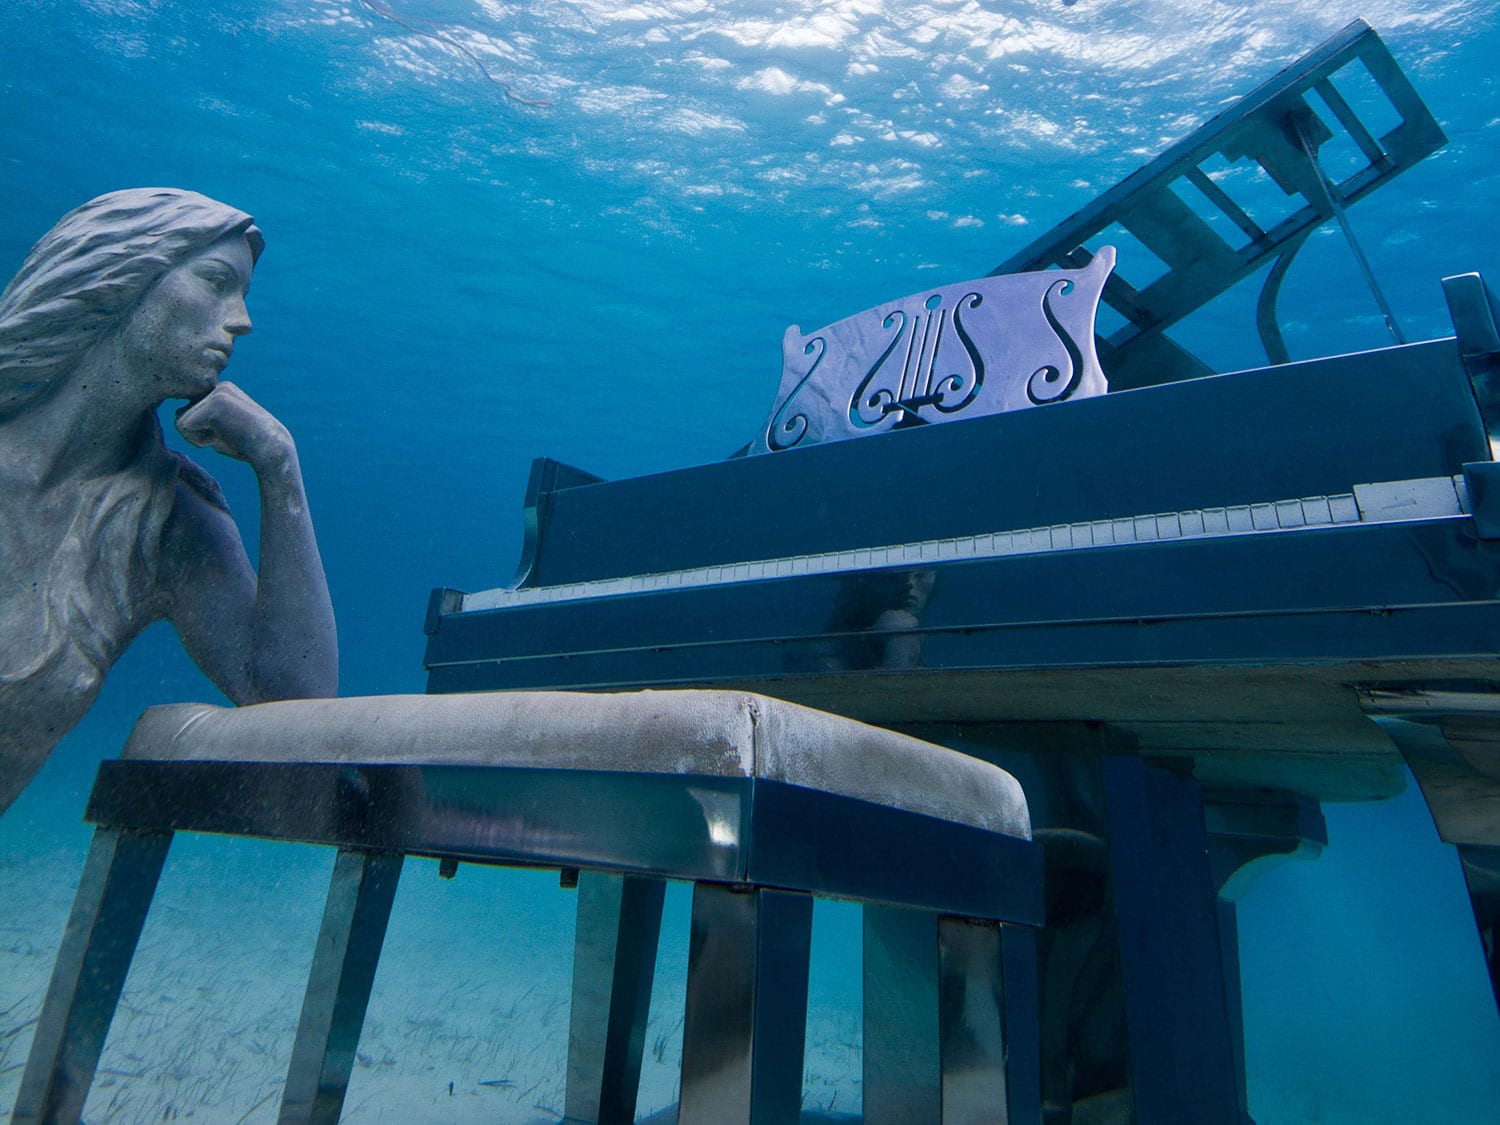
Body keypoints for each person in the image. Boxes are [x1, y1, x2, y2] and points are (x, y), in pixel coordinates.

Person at [0, 188, 337, 814]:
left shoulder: (165, 522)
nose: (241, 320)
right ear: (118, 275)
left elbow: (297, 706)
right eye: (216, 281)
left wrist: (279, 468)